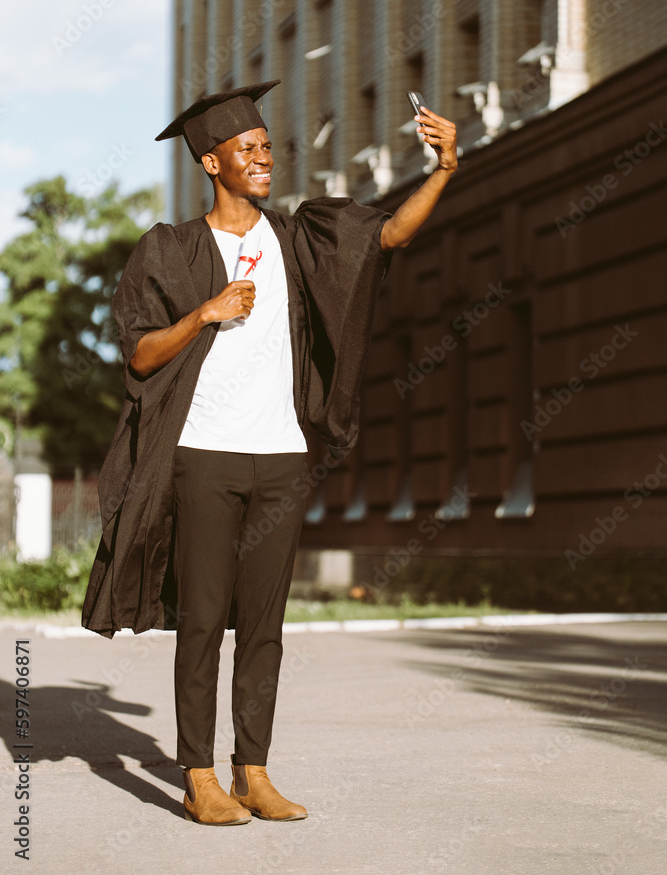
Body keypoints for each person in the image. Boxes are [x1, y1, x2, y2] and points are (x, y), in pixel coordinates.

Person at [82, 79, 457, 826]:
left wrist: (445, 166)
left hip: (281, 456)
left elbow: (389, 236)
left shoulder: (297, 236)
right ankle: (198, 775)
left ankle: (251, 770)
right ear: (212, 163)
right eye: (246, 150)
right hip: (203, 458)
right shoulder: (169, 251)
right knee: (203, 620)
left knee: (264, 625)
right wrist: (206, 312)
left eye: (266, 147)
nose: (263, 158)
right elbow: (141, 356)